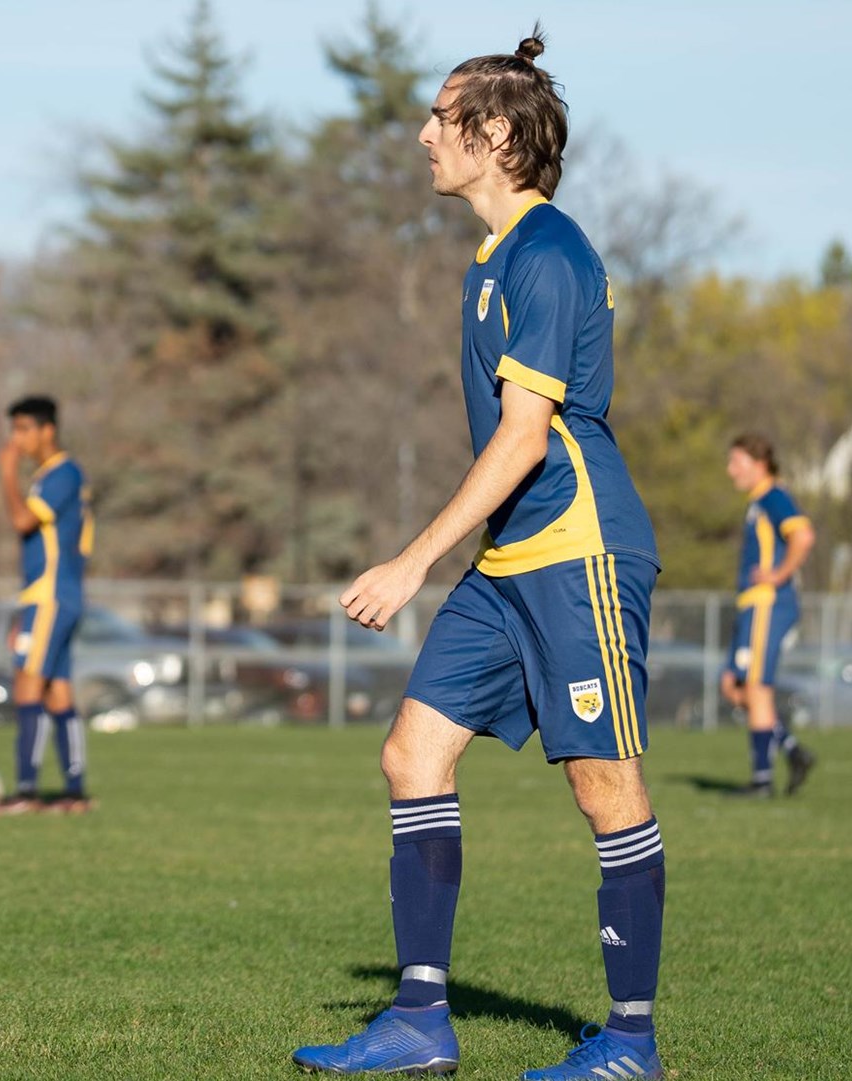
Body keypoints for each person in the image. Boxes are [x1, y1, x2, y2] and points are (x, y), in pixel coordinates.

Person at [292, 29, 666, 1080]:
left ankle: (631, 1041)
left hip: (577, 549)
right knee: (412, 755)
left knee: (605, 786)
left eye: (440, 117)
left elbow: (525, 435)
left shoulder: (550, 253)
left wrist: (412, 562)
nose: (422, 135)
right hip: (510, 560)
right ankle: (419, 1021)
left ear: (494, 135)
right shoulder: (492, 259)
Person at [0, 395, 93, 814]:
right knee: (58, 692)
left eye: (24, 429)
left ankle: (26, 791)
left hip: (50, 594)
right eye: (14, 430)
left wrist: (6, 471)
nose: (17, 439)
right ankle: (74, 793)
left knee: (28, 684)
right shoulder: (56, 476)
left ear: (47, 430)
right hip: (52, 595)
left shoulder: (60, 474)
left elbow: (22, 521)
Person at [719, 434, 818, 797]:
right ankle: (791, 750)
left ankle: (762, 780)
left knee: (757, 689)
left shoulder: (773, 496)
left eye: (737, 462)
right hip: (752, 605)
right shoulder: (756, 502)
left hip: (767, 603)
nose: (731, 471)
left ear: (759, 463)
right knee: (733, 686)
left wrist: (778, 575)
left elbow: (803, 536)